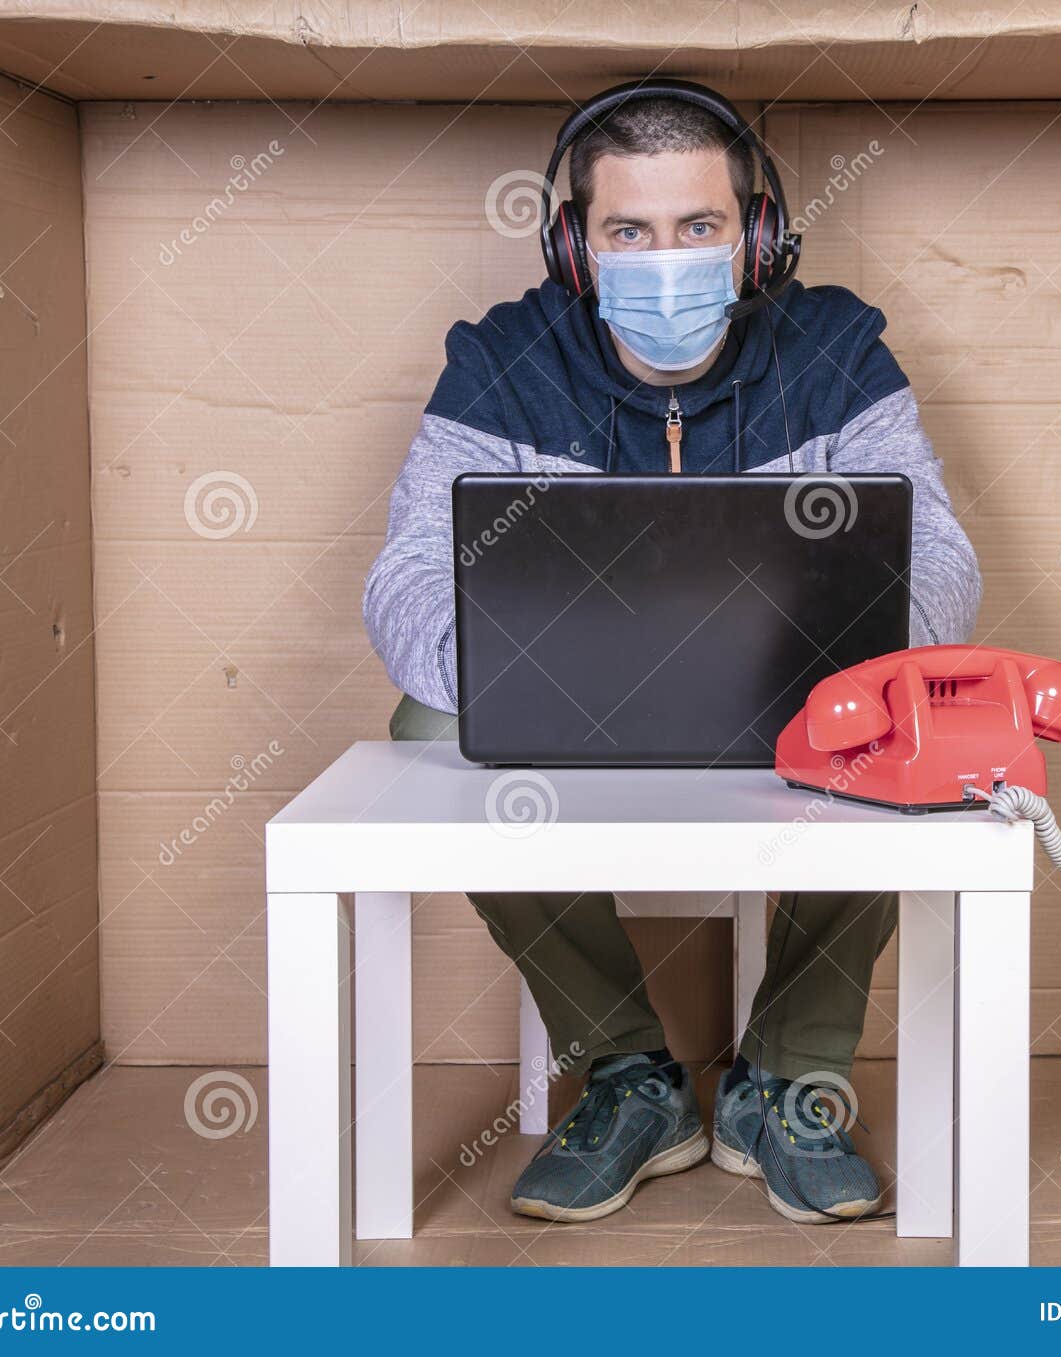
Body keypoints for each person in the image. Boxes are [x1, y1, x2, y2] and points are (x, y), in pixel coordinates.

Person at [364, 81, 980, 1225]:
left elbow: (935, 558)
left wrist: (839, 655)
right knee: (431, 723)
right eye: (628, 232)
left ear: (756, 236)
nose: (667, 259)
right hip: (568, 708)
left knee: (912, 717)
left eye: (698, 227)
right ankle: (627, 1074)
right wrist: (534, 667)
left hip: (795, 703)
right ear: (575, 247)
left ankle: (786, 1079)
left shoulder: (838, 347)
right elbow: (403, 581)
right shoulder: (503, 360)